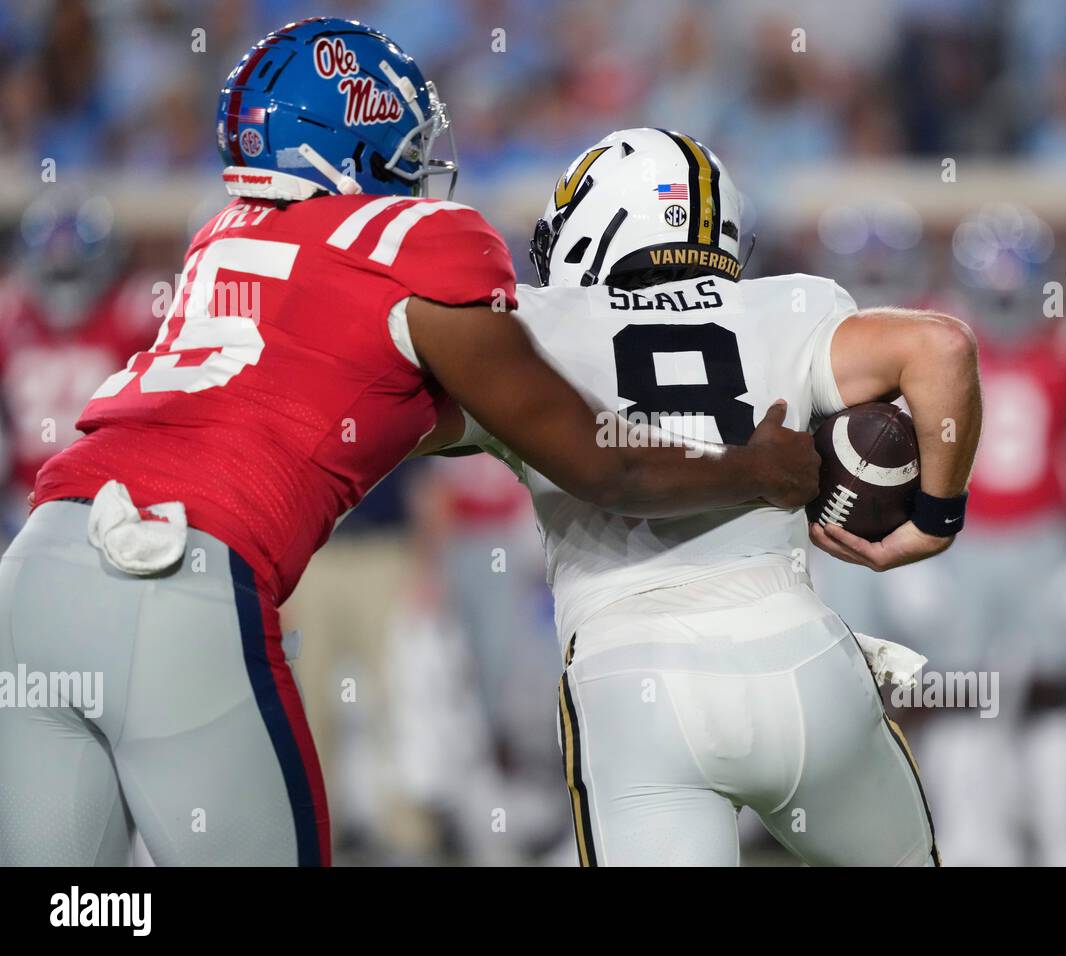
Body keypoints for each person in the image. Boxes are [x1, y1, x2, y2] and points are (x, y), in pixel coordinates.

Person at [0, 22, 817, 868]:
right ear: (349, 134)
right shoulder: (421, 244)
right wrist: (752, 469)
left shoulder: (222, 238)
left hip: (37, 571)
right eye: (403, 138)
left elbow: (359, 399)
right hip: (173, 577)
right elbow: (600, 460)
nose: (417, 161)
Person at [420, 128, 982, 865]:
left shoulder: (534, 323)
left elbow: (395, 409)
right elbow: (943, 349)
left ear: (601, 218)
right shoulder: (794, 303)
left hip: (632, 677)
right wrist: (934, 519)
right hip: (802, 658)